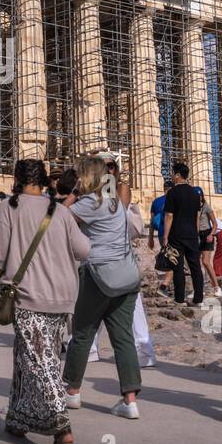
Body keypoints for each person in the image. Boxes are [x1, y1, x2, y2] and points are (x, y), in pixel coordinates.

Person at [0, 158, 91, 444]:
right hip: (63, 298)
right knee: (26, 356)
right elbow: (84, 250)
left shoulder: (9, 208)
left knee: (39, 363)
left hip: (29, 297)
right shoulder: (60, 211)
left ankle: (62, 427)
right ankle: (18, 418)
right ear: (45, 181)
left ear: (17, 179)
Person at [62, 155, 143, 420]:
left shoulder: (88, 203)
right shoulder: (115, 203)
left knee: (83, 334)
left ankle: (72, 392)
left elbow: (58, 221)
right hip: (127, 277)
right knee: (123, 339)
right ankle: (129, 401)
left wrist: (73, 194)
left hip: (99, 277)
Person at [160, 163, 203, 304]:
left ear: (178, 175)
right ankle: (198, 298)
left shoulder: (172, 193)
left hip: (176, 235)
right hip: (191, 234)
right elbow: (197, 217)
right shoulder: (195, 194)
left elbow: (169, 216)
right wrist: (196, 234)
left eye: (172, 173)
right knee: (195, 267)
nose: (171, 176)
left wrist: (165, 236)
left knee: (177, 267)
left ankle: (179, 298)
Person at [195, 189, 222, 297]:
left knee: (205, 262)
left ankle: (216, 287)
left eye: (200, 196)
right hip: (196, 235)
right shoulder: (193, 208)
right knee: (195, 263)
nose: (198, 198)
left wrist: (211, 234)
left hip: (206, 234)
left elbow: (215, 224)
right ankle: (199, 288)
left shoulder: (206, 207)